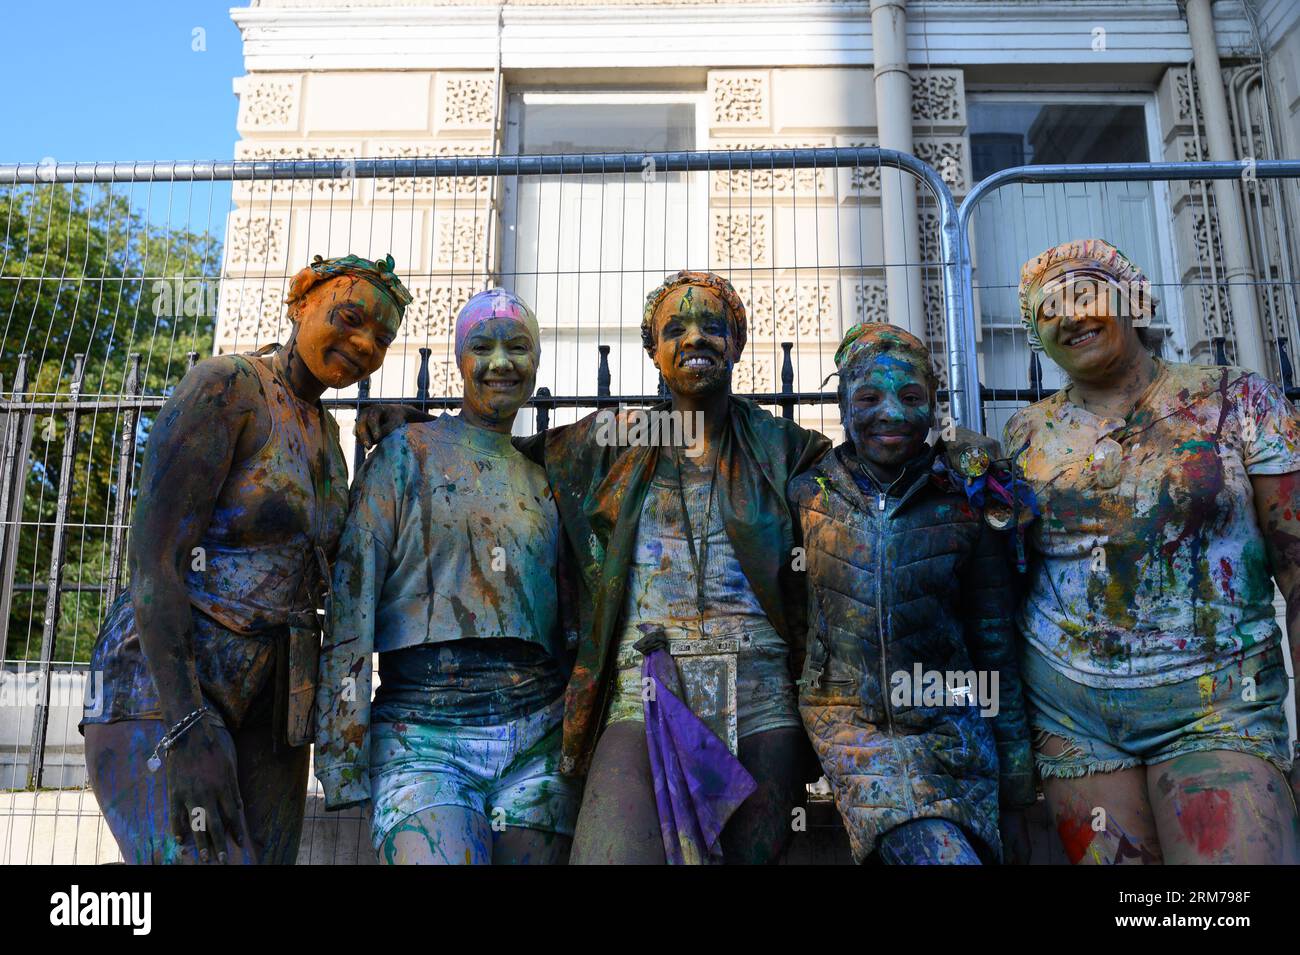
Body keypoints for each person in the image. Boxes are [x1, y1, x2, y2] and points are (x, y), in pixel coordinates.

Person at [359, 271, 830, 863]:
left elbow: (863, 491)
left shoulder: (786, 449)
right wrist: (427, 428)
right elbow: (506, 457)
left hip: (760, 691)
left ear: (736, 344)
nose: (695, 339)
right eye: (675, 329)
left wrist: (963, 465)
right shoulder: (618, 438)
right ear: (652, 351)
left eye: (713, 327)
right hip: (645, 684)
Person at [82, 253, 410, 864]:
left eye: (383, 338)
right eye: (349, 317)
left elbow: (340, 565)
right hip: (166, 690)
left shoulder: (327, 436)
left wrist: (402, 442)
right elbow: (155, 564)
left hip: (271, 700)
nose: (365, 343)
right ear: (300, 304)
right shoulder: (228, 387)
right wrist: (186, 729)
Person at [1006, 237, 1300, 864]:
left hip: (1220, 710)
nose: (1071, 315)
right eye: (1047, 310)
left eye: (1085, 294)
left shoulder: (1240, 402)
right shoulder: (1025, 436)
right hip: (1073, 725)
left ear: (1132, 299)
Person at [314, 289, 580, 865]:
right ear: (460, 361)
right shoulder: (404, 455)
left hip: (537, 737)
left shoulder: (548, 473)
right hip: (422, 737)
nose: (501, 362)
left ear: (536, 362)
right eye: (481, 347)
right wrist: (342, 752)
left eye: (518, 347)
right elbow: (350, 604)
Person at [791, 322, 1035, 864]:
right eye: (869, 397)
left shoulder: (965, 499)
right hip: (854, 732)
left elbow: (995, 639)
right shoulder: (810, 494)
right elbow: (793, 622)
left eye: (911, 397)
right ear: (842, 403)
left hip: (953, 733)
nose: (892, 414)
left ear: (933, 404)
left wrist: (1017, 784)